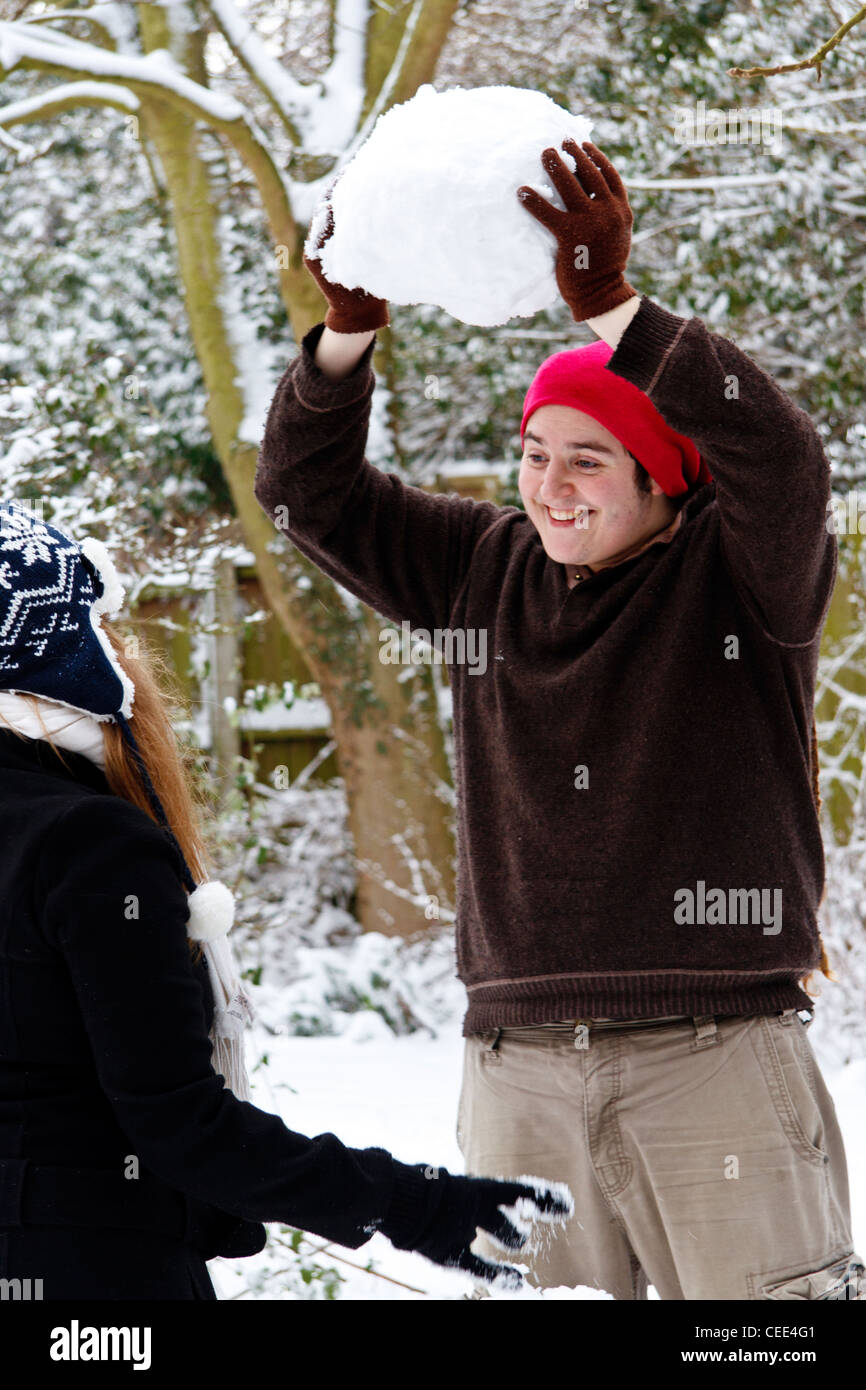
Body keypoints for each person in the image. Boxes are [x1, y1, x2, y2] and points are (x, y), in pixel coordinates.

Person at [253, 137, 865, 1301]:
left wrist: (615, 310)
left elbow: (780, 457)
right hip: (515, 1075)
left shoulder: (744, 580)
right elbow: (303, 493)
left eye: (588, 460)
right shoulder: (481, 567)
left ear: (662, 480)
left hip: (714, 1058)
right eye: (534, 453)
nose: (548, 485)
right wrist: (346, 333)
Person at [0, 500, 572, 1301]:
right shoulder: (89, 844)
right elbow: (179, 1127)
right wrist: (420, 1205)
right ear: (65, 657)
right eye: (101, 625)